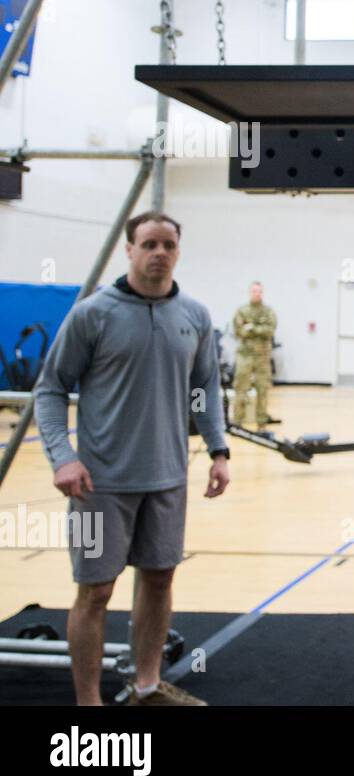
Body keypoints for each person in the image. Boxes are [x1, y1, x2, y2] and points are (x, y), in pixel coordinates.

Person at [33, 212, 230, 706]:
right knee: (95, 592)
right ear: (130, 249)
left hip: (167, 478)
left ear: (178, 251)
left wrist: (218, 449)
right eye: (149, 244)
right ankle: (88, 703)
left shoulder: (195, 315)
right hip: (98, 485)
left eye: (168, 244)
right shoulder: (92, 314)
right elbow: (51, 389)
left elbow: (205, 386)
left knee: (160, 580)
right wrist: (63, 457)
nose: (159, 253)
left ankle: (146, 686)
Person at [230, 281, 277, 428]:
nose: (257, 294)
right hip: (245, 356)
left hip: (262, 357)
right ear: (250, 292)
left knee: (263, 389)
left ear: (262, 293)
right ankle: (237, 422)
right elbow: (239, 331)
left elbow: (270, 331)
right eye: (254, 291)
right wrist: (258, 330)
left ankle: (261, 422)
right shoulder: (242, 311)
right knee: (241, 389)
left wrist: (252, 328)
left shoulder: (268, 312)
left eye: (259, 291)